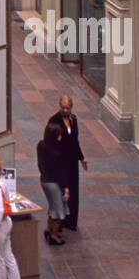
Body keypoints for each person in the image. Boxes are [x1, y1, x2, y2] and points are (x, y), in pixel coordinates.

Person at [53, 94, 87, 231]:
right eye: (63, 108)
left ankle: (71, 220)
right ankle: (60, 221)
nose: (65, 110)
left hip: (72, 162)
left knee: (72, 189)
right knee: (61, 190)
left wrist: (81, 157)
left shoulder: (74, 120)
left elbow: (75, 141)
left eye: (67, 108)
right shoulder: (54, 121)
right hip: (60, 161)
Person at [37, 118, 69, 246]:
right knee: (57, 211)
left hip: (44, 180)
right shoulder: (56, 153)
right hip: (54, 183)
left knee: (53, 206)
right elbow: (60, 172)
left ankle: (49, 229)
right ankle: (54, 235)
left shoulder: (41, 146)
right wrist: (65, 189)